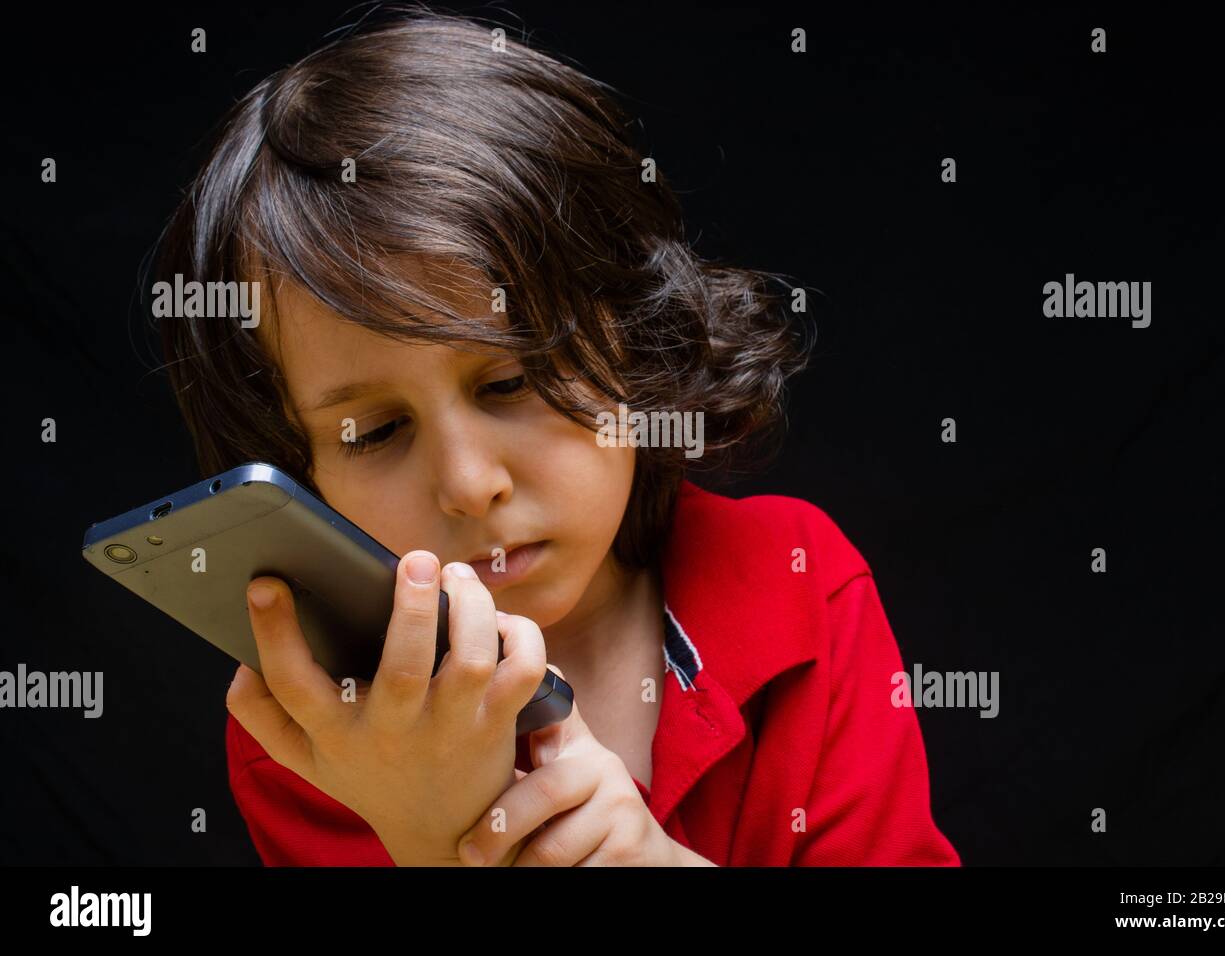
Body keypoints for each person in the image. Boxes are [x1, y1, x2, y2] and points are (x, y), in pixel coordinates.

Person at [154, 7, 960, 867]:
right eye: (378, 430)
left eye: (511, 381)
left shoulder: (799, 587)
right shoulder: (313, 721)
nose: (469, 484)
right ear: (297, 470)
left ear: (634, 336)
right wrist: (431, 838)